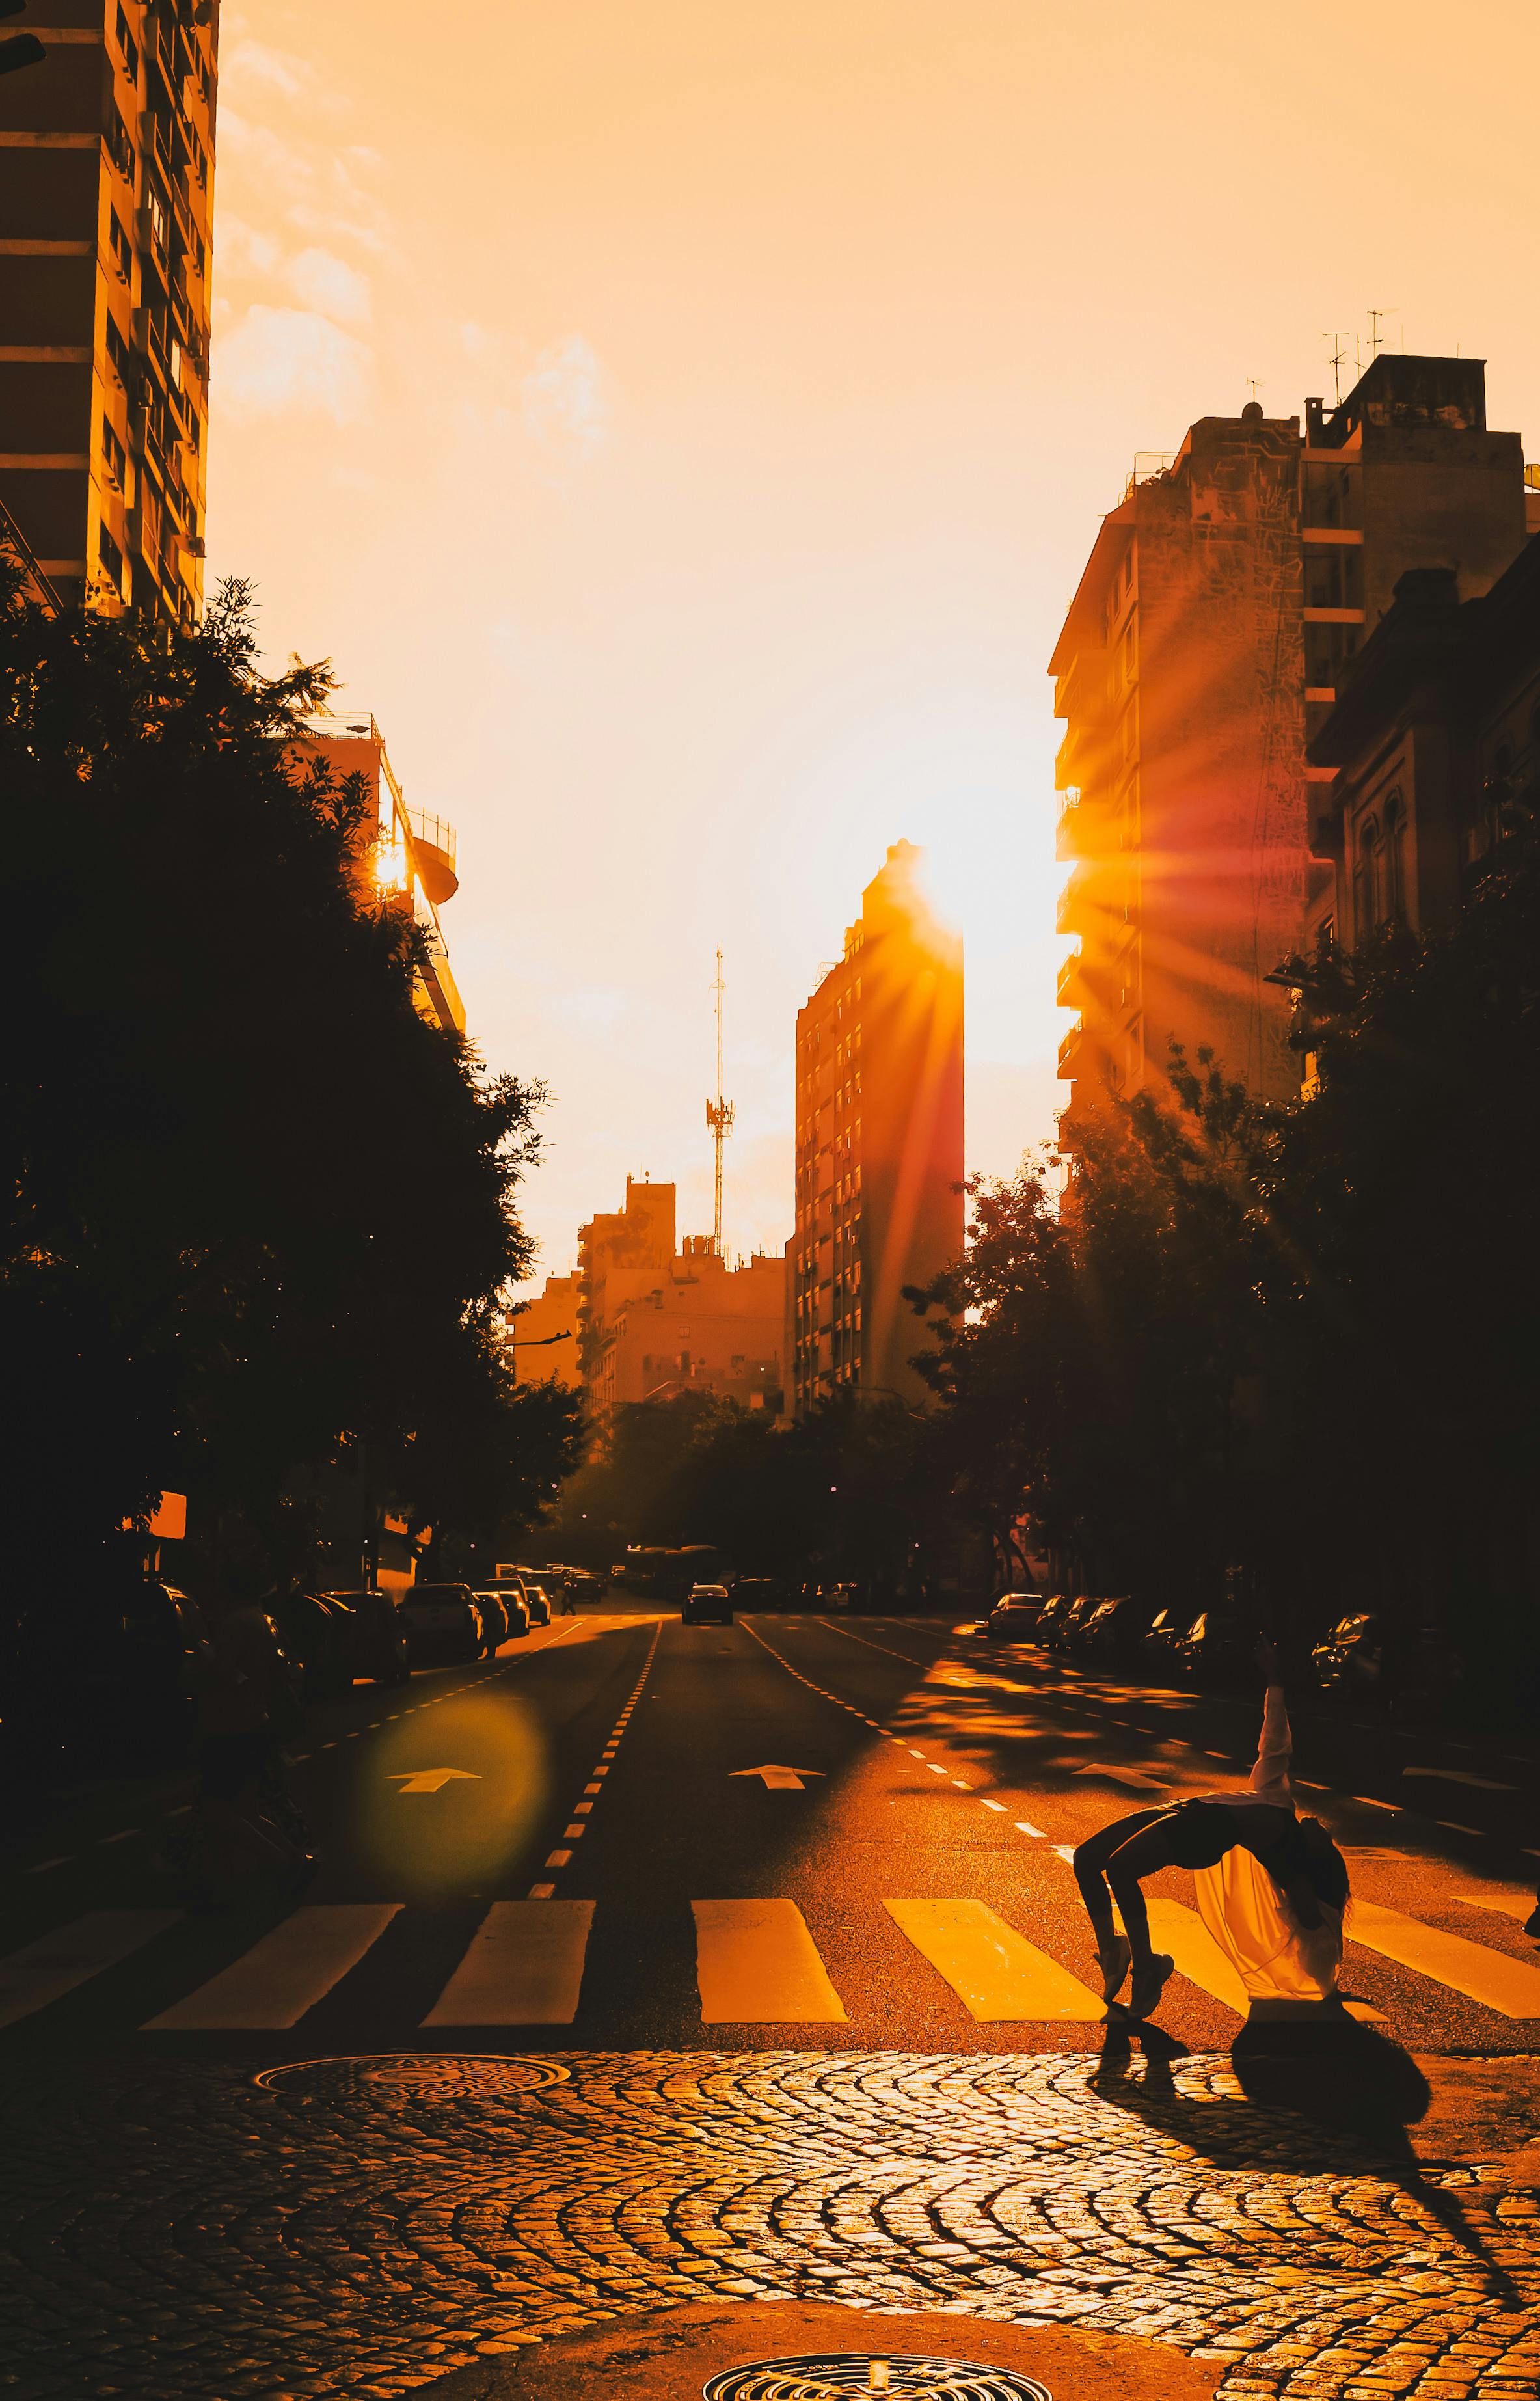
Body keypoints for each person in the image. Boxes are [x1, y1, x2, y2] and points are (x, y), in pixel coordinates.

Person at [1072, 1635, 1349, 2020]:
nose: (1321, 1825)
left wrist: (1328, 1980)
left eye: (1328, 1839)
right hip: (1184, 1809)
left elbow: (1312, 1924)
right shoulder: (1274, 1796)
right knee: (1086, 1859)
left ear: (1318, 1856)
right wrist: (1274, 1680)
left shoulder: (1290, 1857)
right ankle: (1112, 1951)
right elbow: (1274, 1744)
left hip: (1206, 1830)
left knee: (1119, 1869)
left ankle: (1147, 1966)